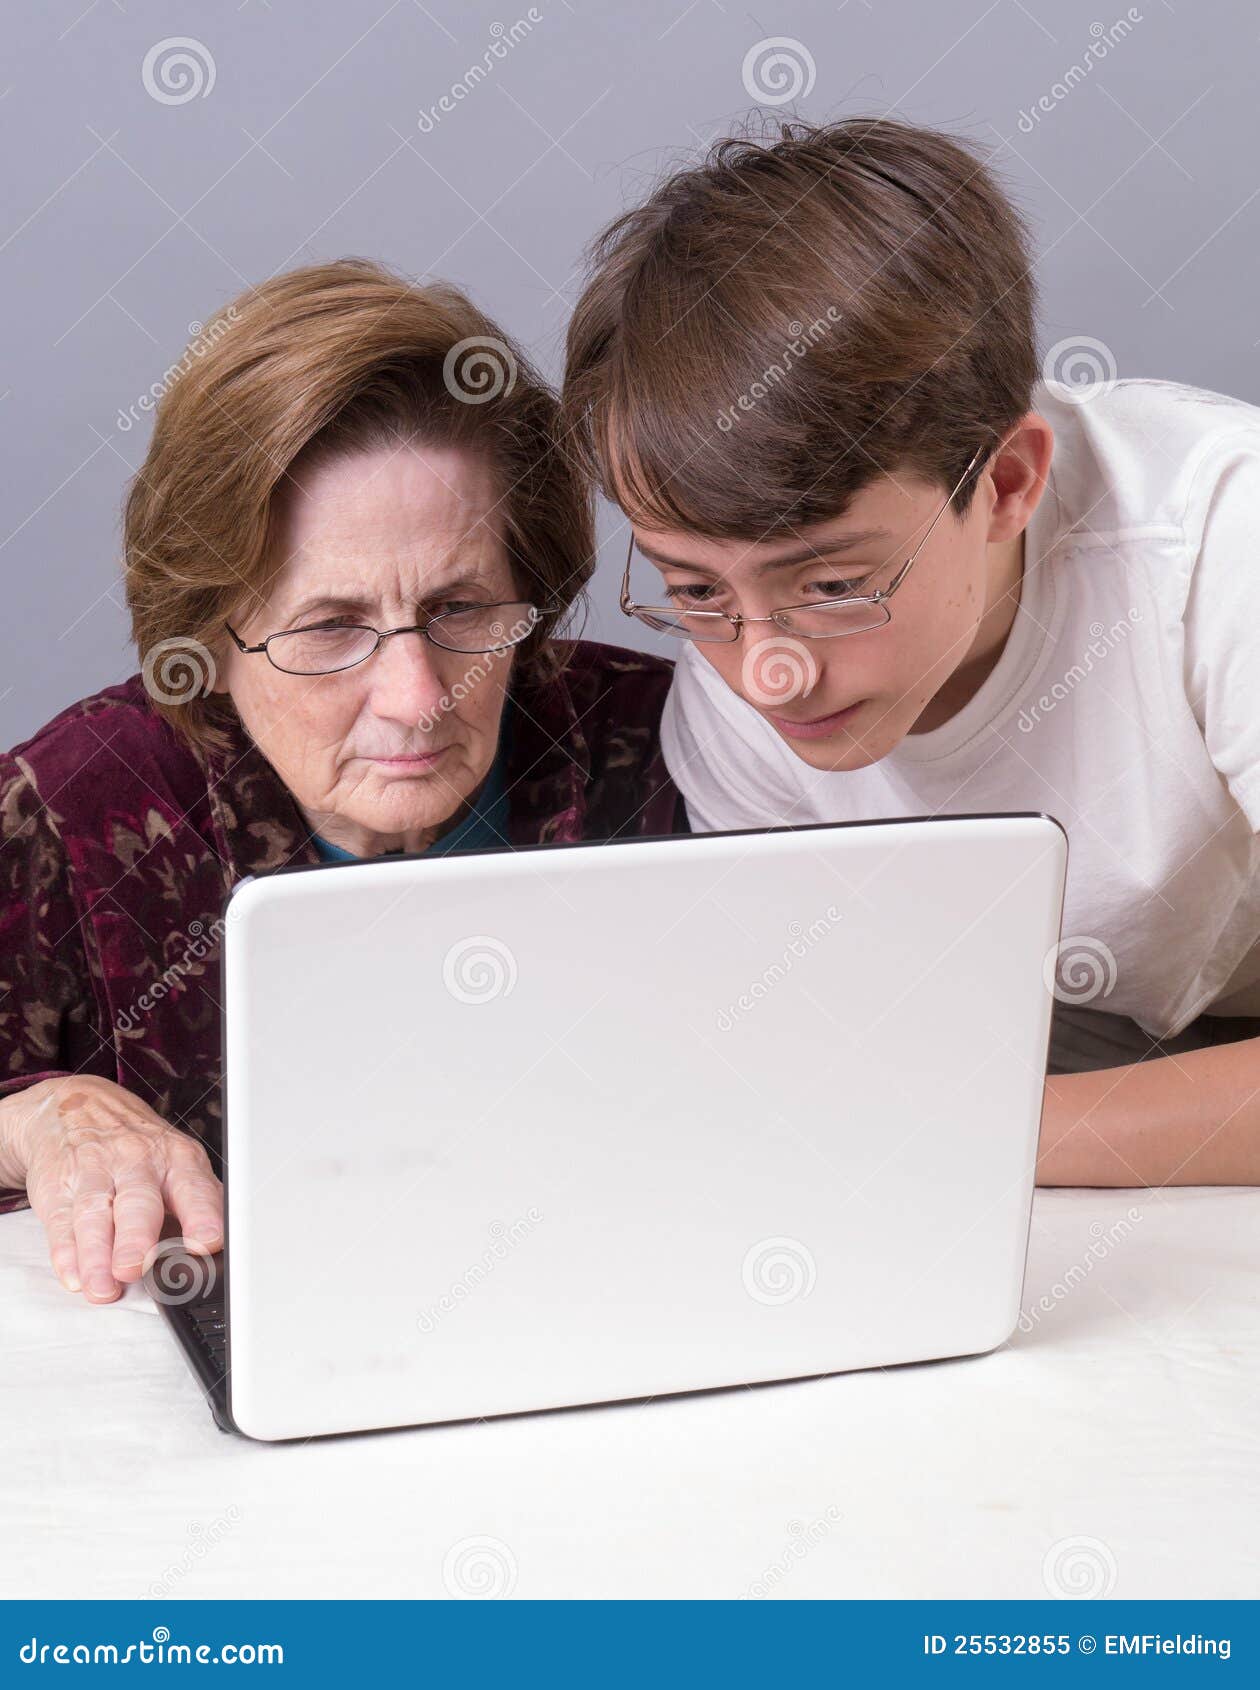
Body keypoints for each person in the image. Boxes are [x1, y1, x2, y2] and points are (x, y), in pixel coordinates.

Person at [562, 116, 1260, 1188]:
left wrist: (981, 1135)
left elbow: (915, 1116)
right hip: (1061, 1033)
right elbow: (833, 1053)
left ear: (1010, 485)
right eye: (694, 589)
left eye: (834, 584)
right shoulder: (732, 679)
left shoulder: (1220, 546)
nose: (763, 673)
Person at [0, 258, 682, 1301]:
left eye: (462, 611)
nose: (417, 696)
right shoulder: (68, 808)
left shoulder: (663, 746)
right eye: (330, 628)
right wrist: (43, 1114)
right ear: (206, 638)